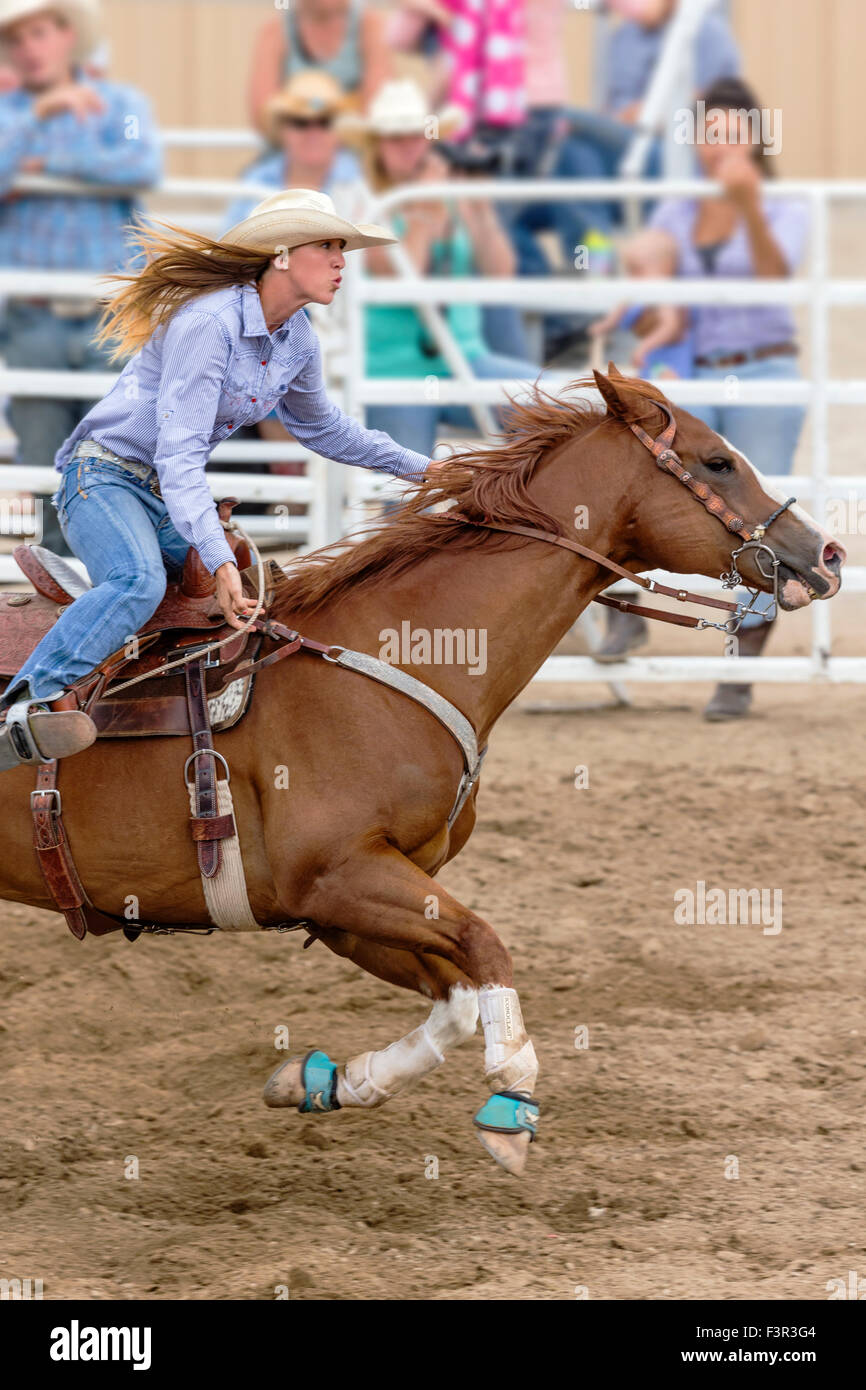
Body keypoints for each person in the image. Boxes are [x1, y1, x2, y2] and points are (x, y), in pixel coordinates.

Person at [0, 190, 438, 772]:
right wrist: (218, 558)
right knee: (137, 581)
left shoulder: (297, 337)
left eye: (343, 248)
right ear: (282, 254)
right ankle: (23, 708)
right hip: (102, 475)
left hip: (158, 494)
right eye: (329, 245)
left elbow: (324, 429)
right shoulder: (209, 323)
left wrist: (427, 469)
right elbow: (180, 455)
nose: (341, 260)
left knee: (258, 590)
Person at [599, 79, 810, 719]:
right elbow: (644, 291)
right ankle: (626, 603)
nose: (718, 146)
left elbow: (776, 276)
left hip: (764, 369)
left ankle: (738, 671)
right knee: (648, 489)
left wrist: (747, 206)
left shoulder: (786, 205)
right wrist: (646, 315)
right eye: (708, 133)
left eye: (730, 132)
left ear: (754, 136)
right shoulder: (677, 210)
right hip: (691, 371)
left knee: (760, 516)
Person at [0, 0, 161, 555]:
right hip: (33, 317)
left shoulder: (122, 104)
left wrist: (45, 168)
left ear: (66, 36)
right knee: (45, 460)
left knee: (115, 456)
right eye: (17, 39)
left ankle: (120, 584)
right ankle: (60, 596)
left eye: (39, 33)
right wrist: (40, 117)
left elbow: (142, 166)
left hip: (107, 317)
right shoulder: (9, 113)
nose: (29, 48)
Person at [343, 79, 543, 459]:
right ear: (376, 148)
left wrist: (480, 207)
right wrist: (423, 213)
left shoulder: (451, 198)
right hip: (395, 373)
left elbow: (502, 272)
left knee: (560, 408)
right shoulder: (363, 205)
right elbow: (402, 279)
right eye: (396, 138)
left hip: (466, 361)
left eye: (418, 135)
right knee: (406, 493)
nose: (410, 147)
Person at [247, 0, 392, 139]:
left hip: (351, 150)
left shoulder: (370, 26)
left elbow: (378, 107)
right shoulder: (275, 31)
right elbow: (263, 116)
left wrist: (306, 116)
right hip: (291, 153)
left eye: (323, 122)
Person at [589, 227, 692, 379]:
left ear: (666, 267)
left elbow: (670, 326)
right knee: (649, 385)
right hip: (654, 353)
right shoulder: (646, 287)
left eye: (637, 270)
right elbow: (625, 302)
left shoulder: (666, 291)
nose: (632, 277)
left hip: (671, 355)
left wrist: (644, 347)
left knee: (668, 388)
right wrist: (609, 323)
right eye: (629, 270)